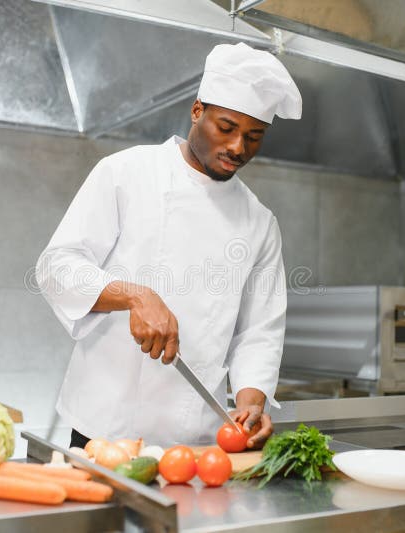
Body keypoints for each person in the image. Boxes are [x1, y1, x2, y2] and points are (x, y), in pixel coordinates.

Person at [37, 42, 302, 449]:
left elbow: (259, 330)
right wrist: (133, 296)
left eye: (254, 137)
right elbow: (57, 266)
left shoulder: (259, 222)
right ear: (198, 111)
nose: (237, 148)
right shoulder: (126, 172)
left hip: (194, 437)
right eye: (227, 128)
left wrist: (251, 403)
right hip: (103, 426)